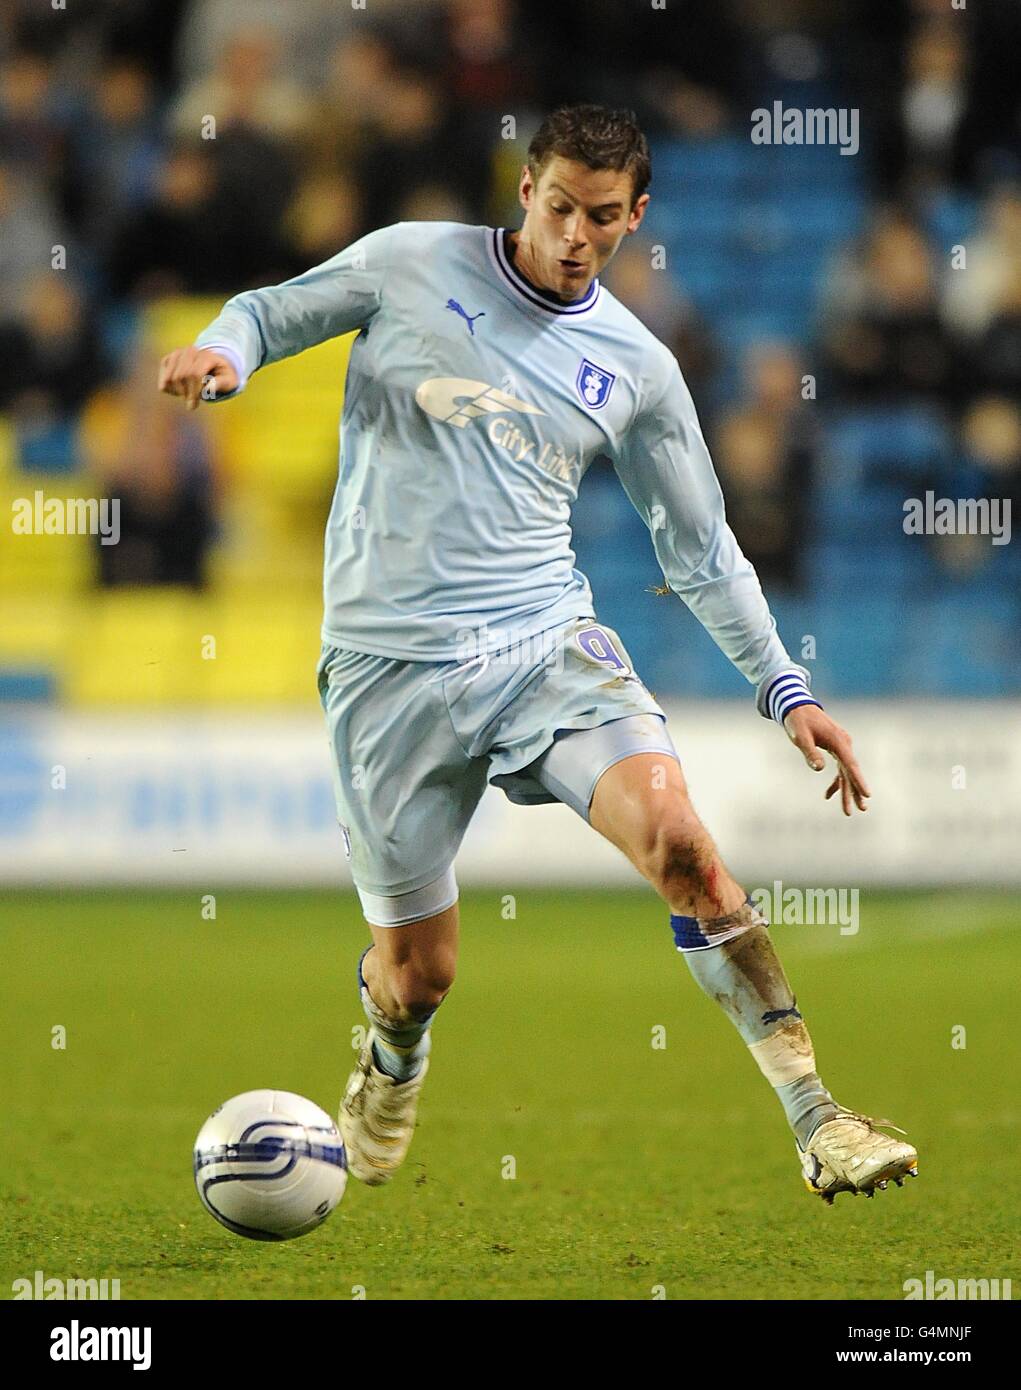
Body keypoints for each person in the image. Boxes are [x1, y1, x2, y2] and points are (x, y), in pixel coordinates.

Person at [158, 105, 917, 1204]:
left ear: (634, 218)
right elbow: (269, 313)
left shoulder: (638, 368)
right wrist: (225, 355)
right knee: (420, 975)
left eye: (601, 218)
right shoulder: (408, 261)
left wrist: (782, 686)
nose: (574, 234)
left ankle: (817, 1117)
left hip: (542, 643)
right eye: (557, 205)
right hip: (388, 667)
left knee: (686, 849)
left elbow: (697, 546)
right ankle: (391, 1053)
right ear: (525, 189)